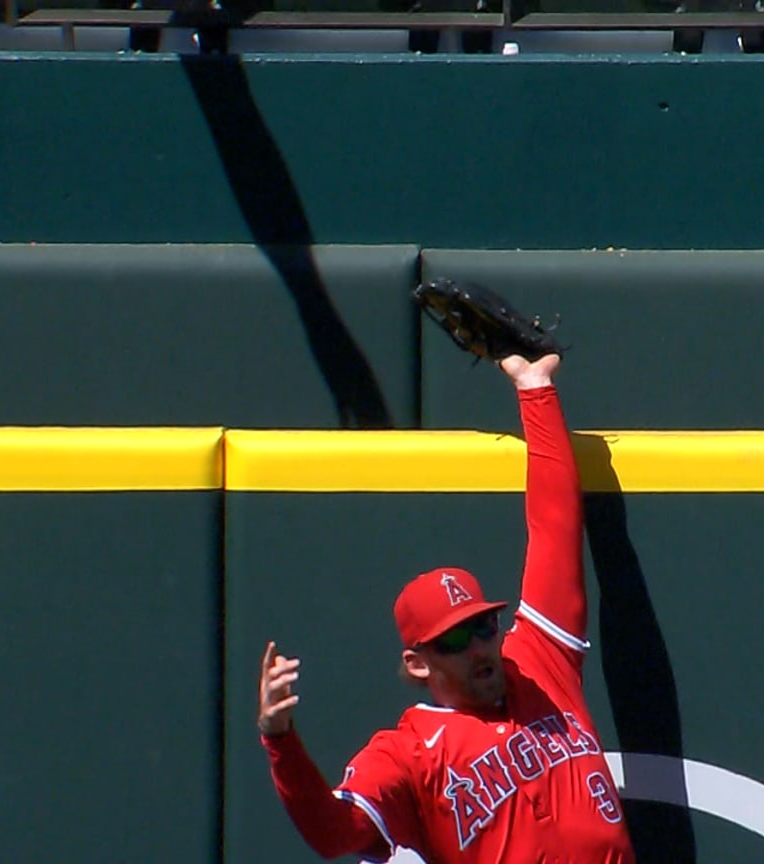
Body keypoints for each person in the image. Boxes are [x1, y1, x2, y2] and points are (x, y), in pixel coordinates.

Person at [257, 352, 635, 864]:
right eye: (455, 639)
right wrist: (280, 741)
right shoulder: (407, 753)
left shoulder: (538, 660)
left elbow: (555, 528)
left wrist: (535, 390)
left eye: (484, 626)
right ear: (418, 663)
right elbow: (335, 834)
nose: (479, 646)